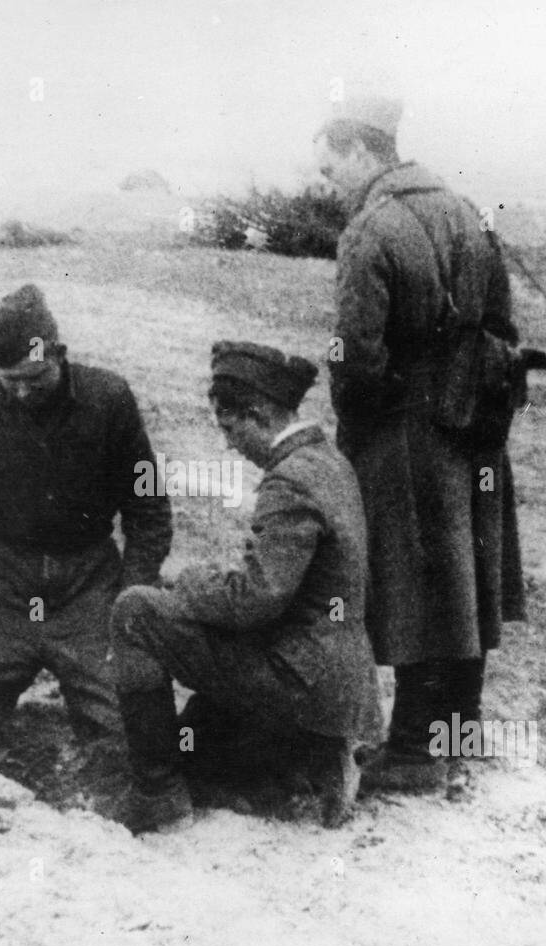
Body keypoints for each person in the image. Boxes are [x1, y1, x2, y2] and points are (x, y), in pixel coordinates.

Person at [313, 95, 526, 792]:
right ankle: (457, 737)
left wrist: (357, 427)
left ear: (365, 153)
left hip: (406, 434)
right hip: (476, 429)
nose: (330, 184)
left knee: (410, 582)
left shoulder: (371, 230)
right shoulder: (466, 211)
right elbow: (503, 326)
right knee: (468, 579)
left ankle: (410, 752)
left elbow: (357, 354)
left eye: (332, 168)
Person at [110, 340, 385, 834]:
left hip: (302, 679)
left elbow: (257, 599)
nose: (230, 443)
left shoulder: (290, 481)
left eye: (229, 426)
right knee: (197, 738)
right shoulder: (328, 460)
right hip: (336, 675)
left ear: (256, 414)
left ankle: (157, 795)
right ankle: (314, 760)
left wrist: (189, 583)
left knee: (134, 612)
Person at [0, 284, 172, 756]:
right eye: (11, 381)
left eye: (36, 377)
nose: (24, 392)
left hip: (89, 580)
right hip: (4, 577)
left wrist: (129, 599)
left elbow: (148, 508)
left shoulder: (109, 398)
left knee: (130, 737)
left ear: (60, 354)